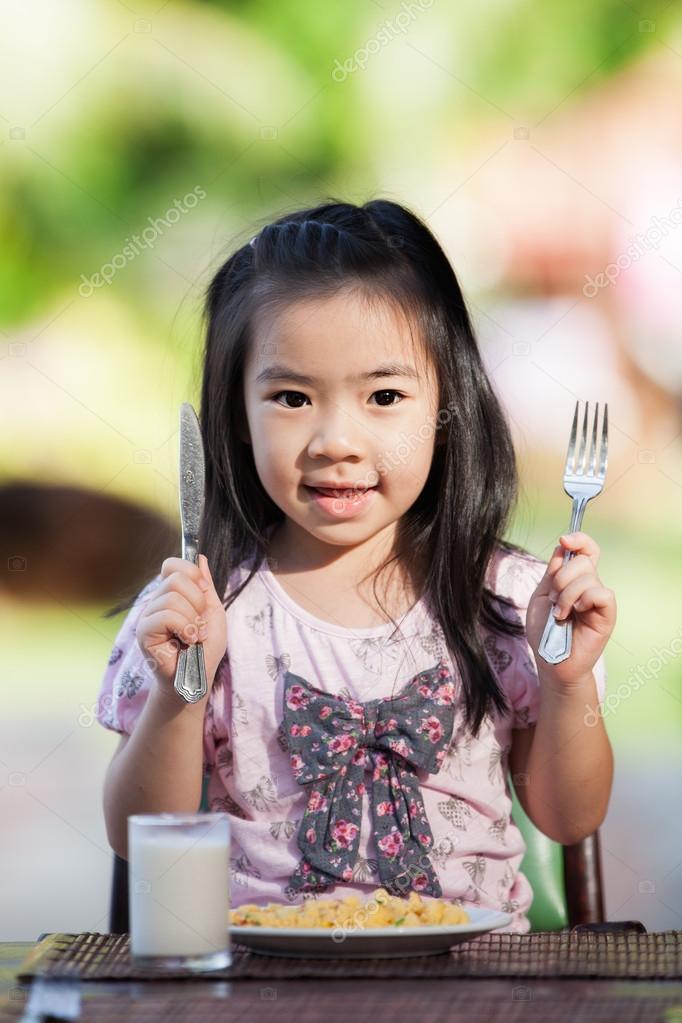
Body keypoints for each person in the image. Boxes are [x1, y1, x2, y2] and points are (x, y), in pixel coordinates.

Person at [96, 199, 615, 934]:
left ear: (448, 405)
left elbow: (569, 817)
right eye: (292, 397)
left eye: (384, 396)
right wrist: (180, 694)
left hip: (480, 983)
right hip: (265, 980)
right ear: (237, 416)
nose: (337, 439)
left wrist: (564, 681)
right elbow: (139, 835)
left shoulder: (506, 600)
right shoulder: (203, 608)